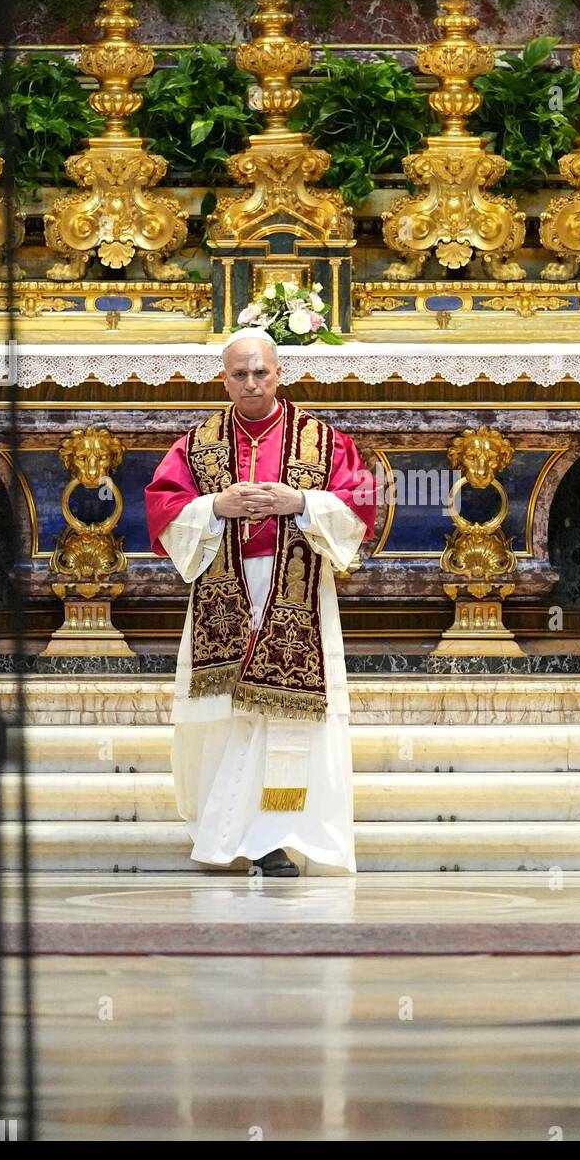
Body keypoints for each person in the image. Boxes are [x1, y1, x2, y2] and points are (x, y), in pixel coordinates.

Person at [145, 329, 375, 877]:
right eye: (239, 374)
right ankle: (224, 828)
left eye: (260, 372)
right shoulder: (197, 442)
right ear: (223, 379)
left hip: (296, 591)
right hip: (223, 592)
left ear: (279, 374)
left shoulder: (322, 440)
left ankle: (279, 828)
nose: (251, 383)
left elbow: (361, 500)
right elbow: (161, 507)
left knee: (285, 722)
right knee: (228, 717)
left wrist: (301, 501)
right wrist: (214, 506)